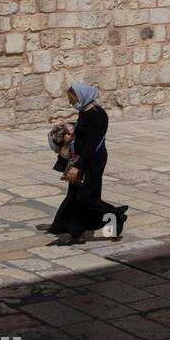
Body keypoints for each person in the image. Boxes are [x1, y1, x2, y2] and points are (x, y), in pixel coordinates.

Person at [47, 83, 128, 245]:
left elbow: (91, 144)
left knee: (85, 197)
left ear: (82, 96)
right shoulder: (84, 112)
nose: (72, 103)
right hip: (81, 158)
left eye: (73, 100)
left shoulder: (98, 115)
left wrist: (78, 166)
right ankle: (76, 232)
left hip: (93, 161)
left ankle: (116, 215)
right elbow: (83, 136)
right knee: (75, 196)